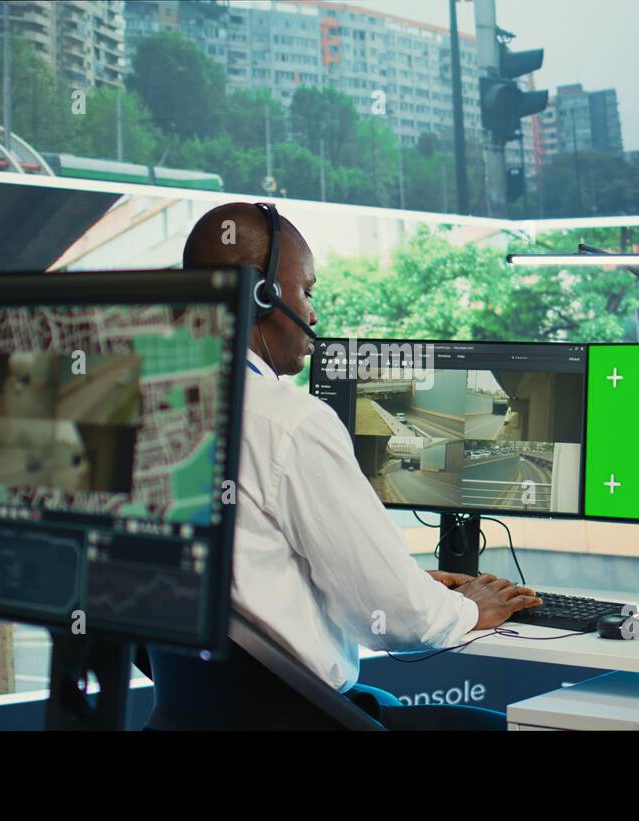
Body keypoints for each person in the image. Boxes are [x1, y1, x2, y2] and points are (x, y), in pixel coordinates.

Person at [147, 202, 541, 731]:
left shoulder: (149, 408)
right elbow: (398, 619)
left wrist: (392, 579)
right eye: (306, 291)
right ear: (264, 296)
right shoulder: (288, 420)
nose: (311, 315)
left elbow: (246, 579)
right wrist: (470, 606)